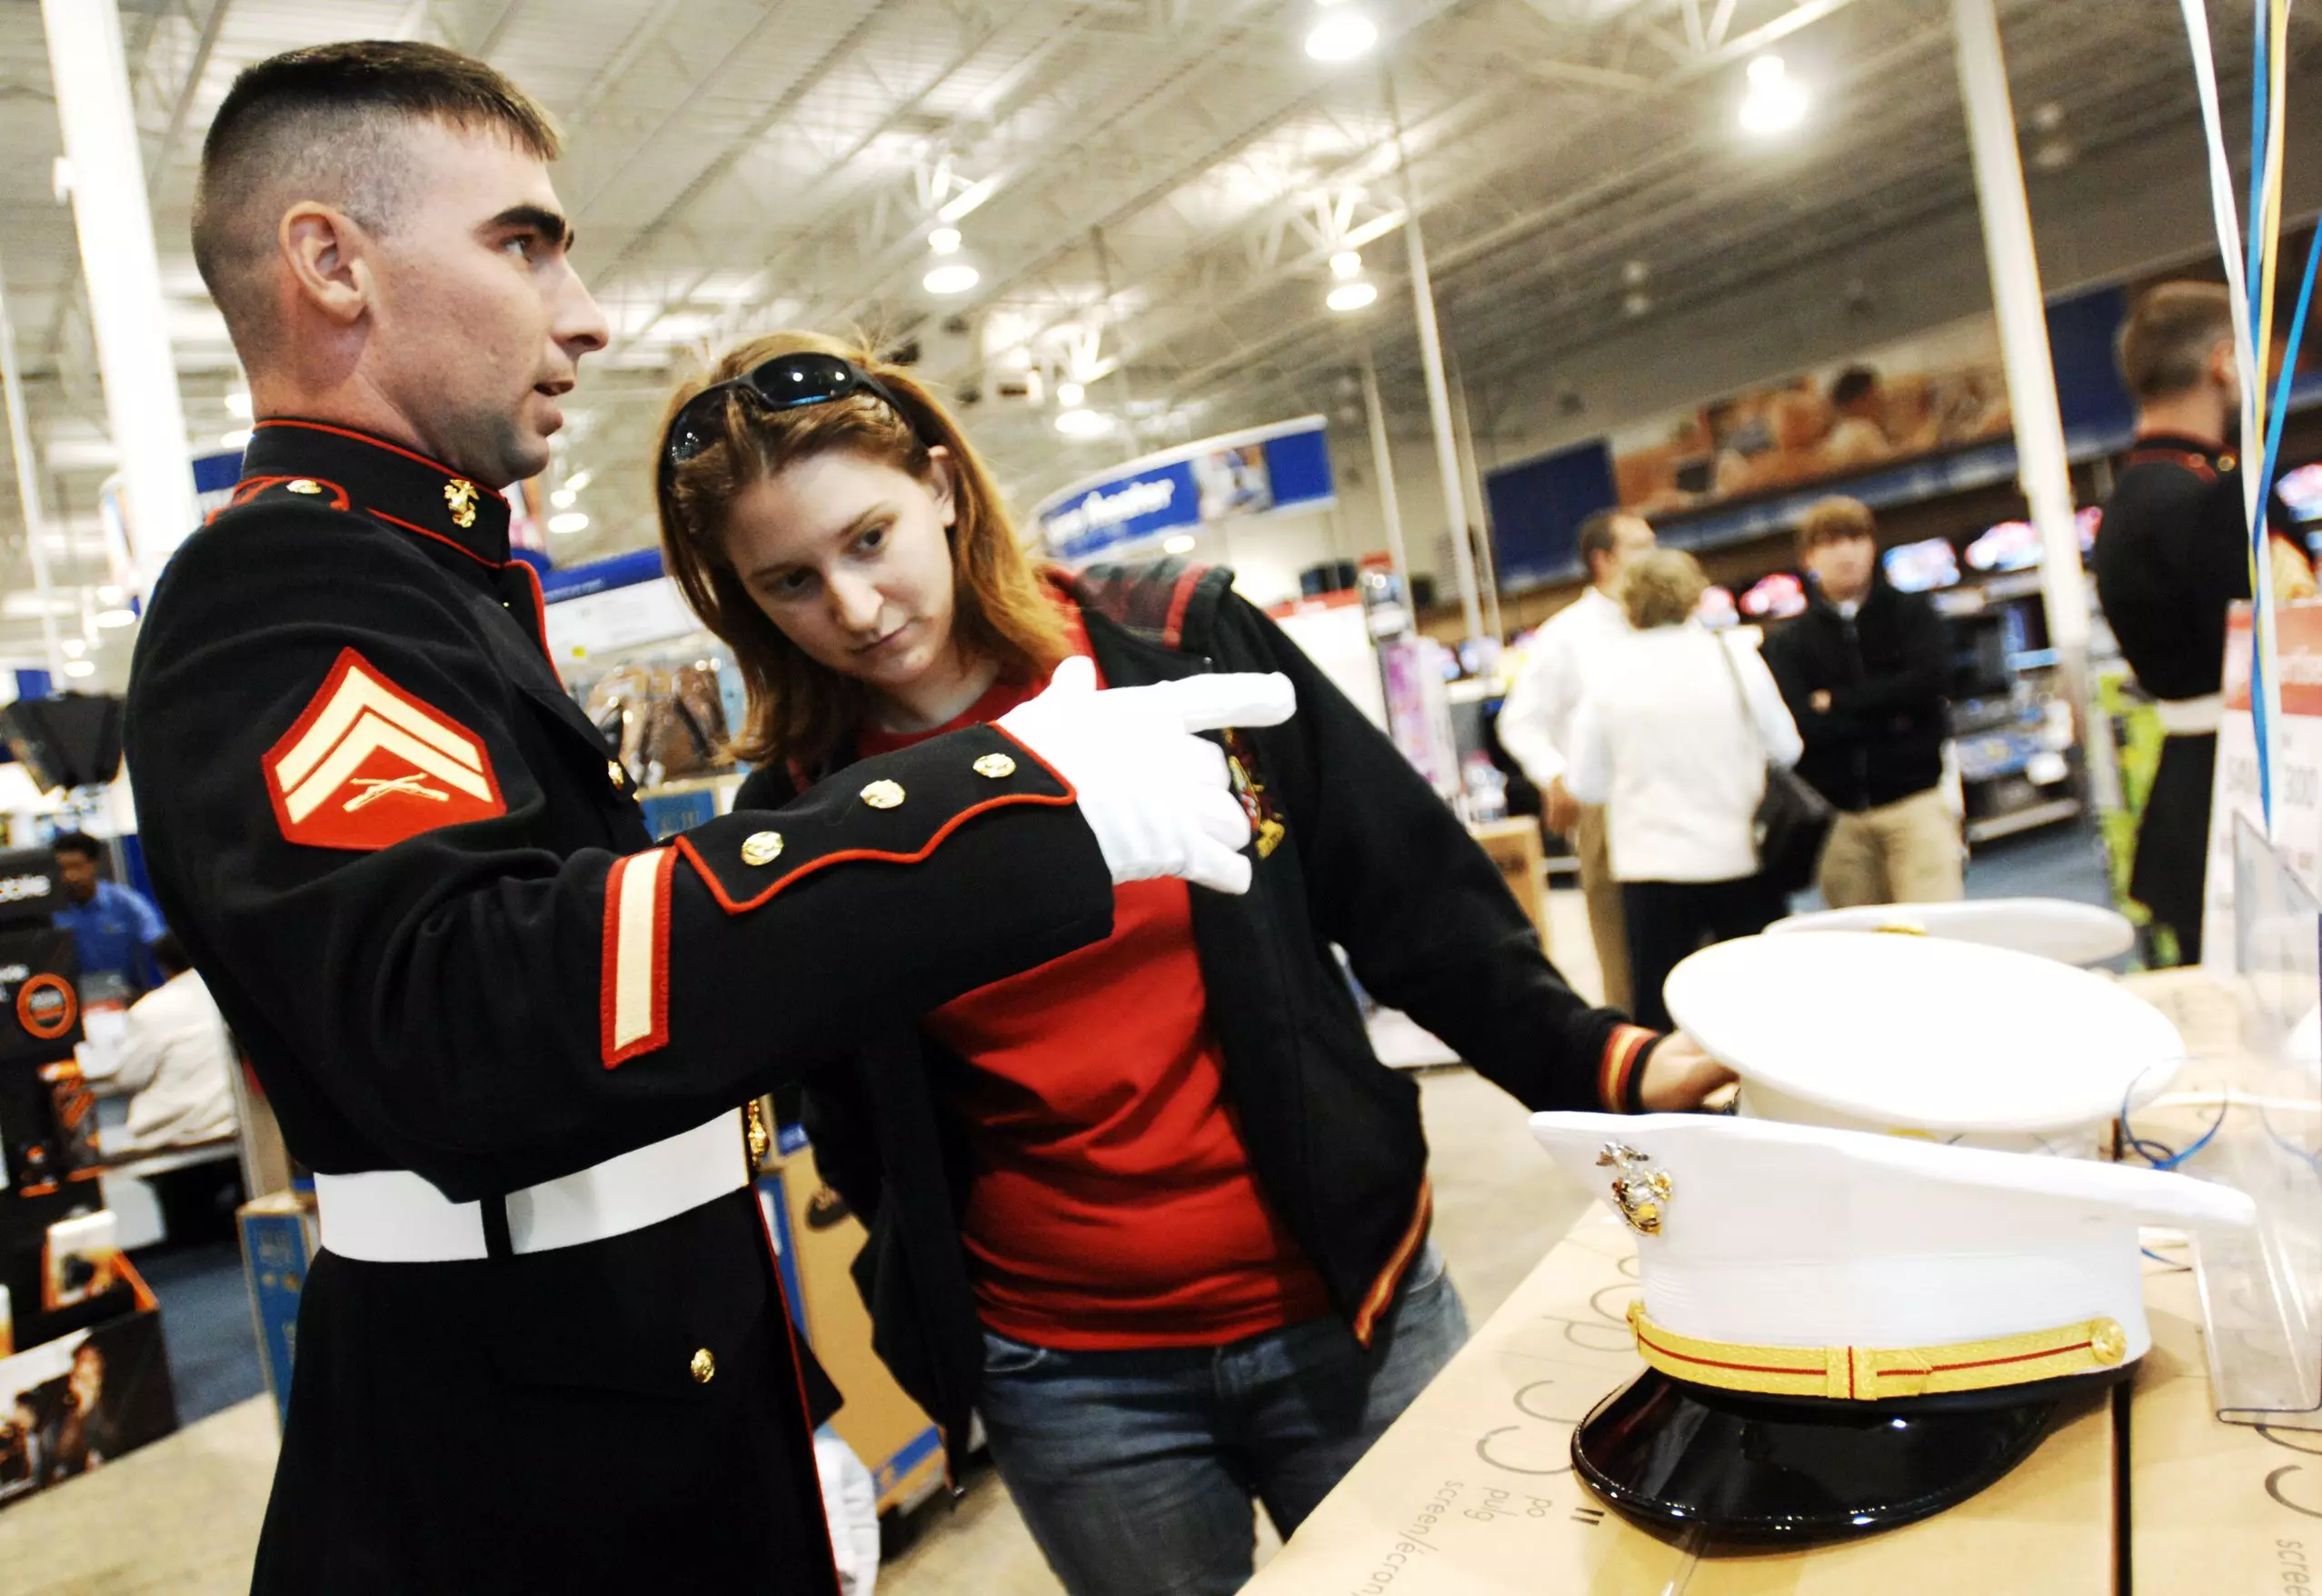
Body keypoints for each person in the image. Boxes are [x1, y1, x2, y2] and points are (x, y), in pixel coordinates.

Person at [126, 42, 1291, 1594]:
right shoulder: (285, 584)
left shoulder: (430, 588)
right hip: (527, 1477)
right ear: (332, 262)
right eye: (524, 241)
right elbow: (465, 1008)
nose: (587, 313)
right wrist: (1001, 798)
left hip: (628, 1402)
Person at [655, 330, 1736, 1596]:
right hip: (1070, 1379)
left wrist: (1605, 1059)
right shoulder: (795, 807)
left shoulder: (1178, 641)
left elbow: (1408, 895)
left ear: (942, 489)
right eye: (787, 582)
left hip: (1350, 1305)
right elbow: (839, 1095)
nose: (850, 608)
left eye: (868, 539)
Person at [2093, 281, 2309, 963]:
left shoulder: (2124, 502)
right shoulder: (2220, 498)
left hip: (2188, 802)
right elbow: (2300, 646)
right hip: (2274, 797)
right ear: (2222, 361)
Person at [1567, 549, 1803, 1031]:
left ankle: (1683, 1106)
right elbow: (1788, 748)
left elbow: (1585, 784)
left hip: (1650, 872)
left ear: (1629, 603)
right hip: (1738, 858)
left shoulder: (1606, 672)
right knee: (1760, 1013)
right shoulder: (1735, 656)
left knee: (1665, 1017)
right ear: (1695, 595)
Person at [1764, 496, 1963, 909]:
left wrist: (1837, 700)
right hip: (1839, 821)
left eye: (1856, 538)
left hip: (1917, 805)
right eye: (1831, 542)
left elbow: (1930, 684)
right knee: (1862, 952)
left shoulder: (1913, 614)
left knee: (1938, 937)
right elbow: (1799, 725)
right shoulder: (1789, 642)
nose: (1846, 552)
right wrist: (1892, 715)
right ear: (1809, 558)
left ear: (1873, 546)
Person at [1496, 508, 1657, 1012]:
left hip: (1675, 799)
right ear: (1603, 560)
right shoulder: (1567, 635)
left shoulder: (1665, 622)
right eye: (1640, 546)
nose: (1655, 556)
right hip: (1606, 810)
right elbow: (1518, 720)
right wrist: (1556, 777)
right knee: (1624, 951)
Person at [80, 933, 237, 1156]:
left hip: (177, 1136)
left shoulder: (150, 1009)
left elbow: (127, 1077)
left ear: (164, 968)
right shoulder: (231, 992)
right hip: (235, 1123)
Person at [48, 833, 164, 1002]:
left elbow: (159, 942)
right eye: (63, 869)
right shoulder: (50, 914)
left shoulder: (127, 904)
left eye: (76, 866)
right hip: (71, 1006)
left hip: (130, 999)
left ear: (93, 864)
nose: (70, 876)